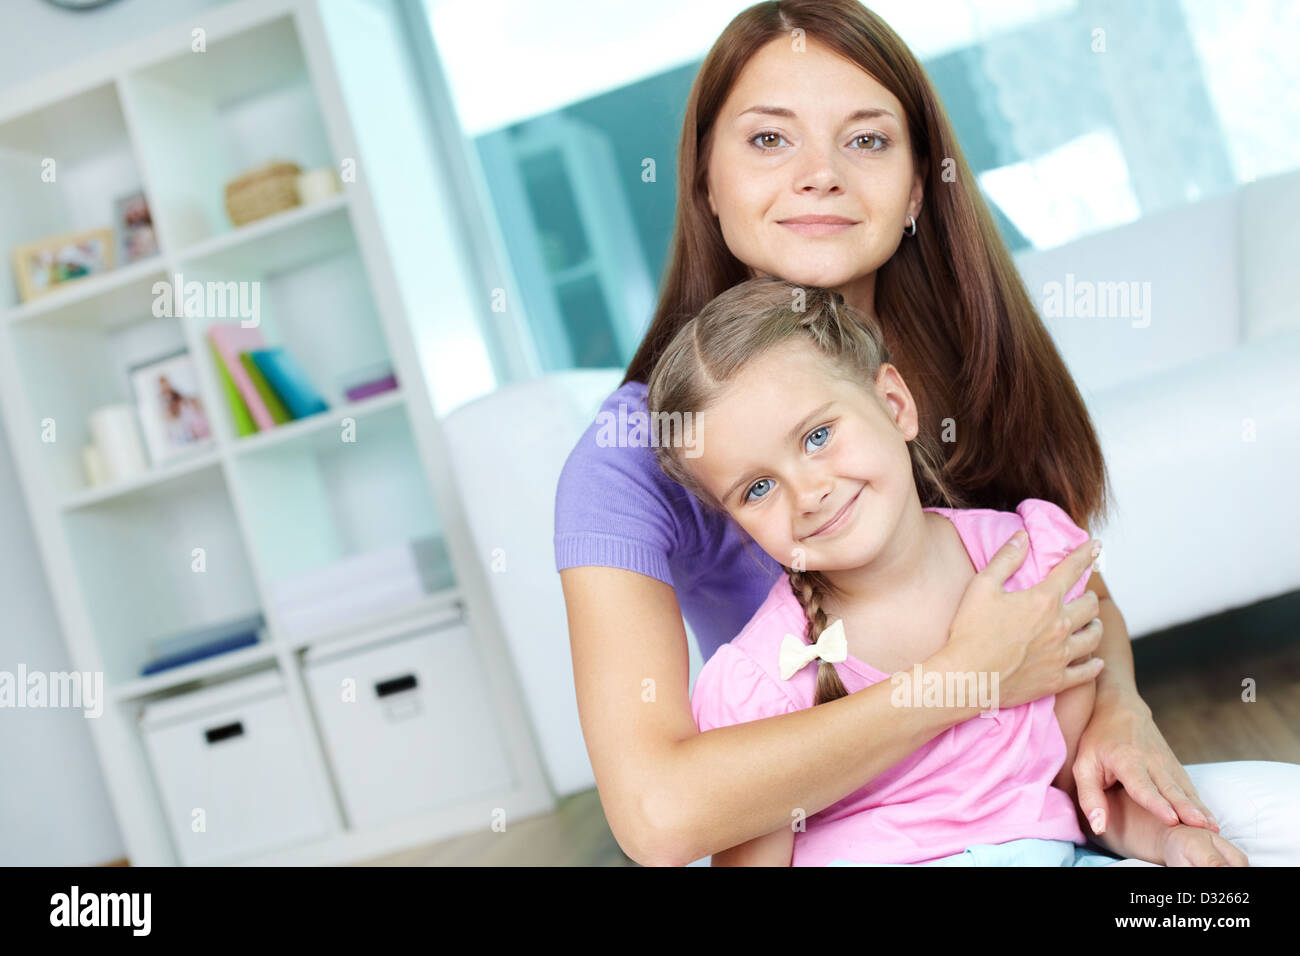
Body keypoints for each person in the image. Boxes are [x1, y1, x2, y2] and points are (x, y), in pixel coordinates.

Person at [554, 0, 1300, 867]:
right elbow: (659, 816)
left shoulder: (958, 355)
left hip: (1009, 799)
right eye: (769, 139)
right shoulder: (635, 454)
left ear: (915, 187)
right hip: (825, 828)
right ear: (705, 185)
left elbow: (1063, 588)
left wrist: (1122, 710)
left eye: (866, 139)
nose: (821, 174)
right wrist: (962, 677)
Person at [646, 276, 1249, 866]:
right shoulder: (762, 684)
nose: (807, 494)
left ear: (895, 405)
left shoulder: (1030, 568)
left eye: (818, 435)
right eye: (757, 488)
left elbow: (1076, 788)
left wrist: (1171, 843)